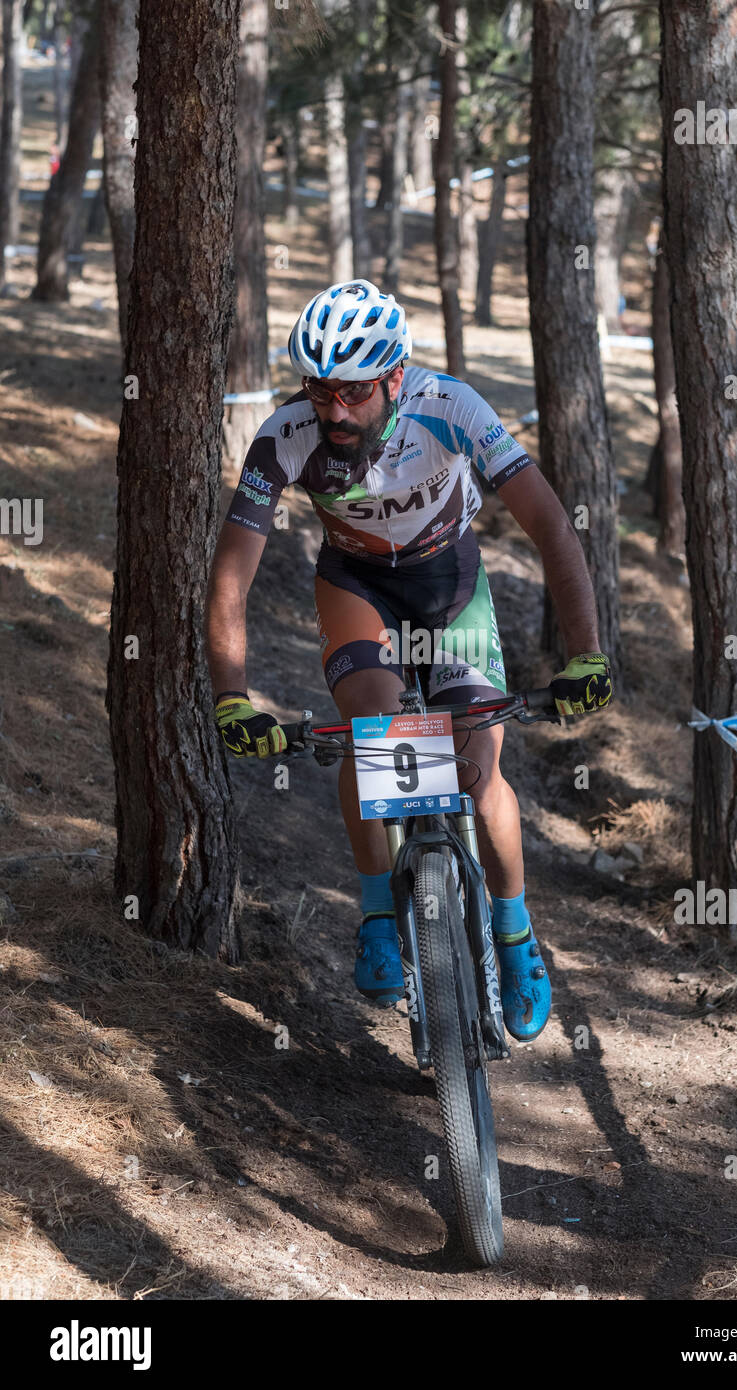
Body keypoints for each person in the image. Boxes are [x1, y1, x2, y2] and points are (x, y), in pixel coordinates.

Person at [205, 279, 612, 1042]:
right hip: (357, 584)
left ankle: (515, 933)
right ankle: (380, 916)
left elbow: (553, 527)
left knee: (477, 769)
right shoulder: (285, 436)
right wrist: (233, 697)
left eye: (353, 392)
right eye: (319, 390)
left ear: (395, 377)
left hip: (449, 582)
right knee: (372, 730)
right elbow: (232, 572)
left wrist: (586, 654)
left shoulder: (453, 408)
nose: (334, 411)